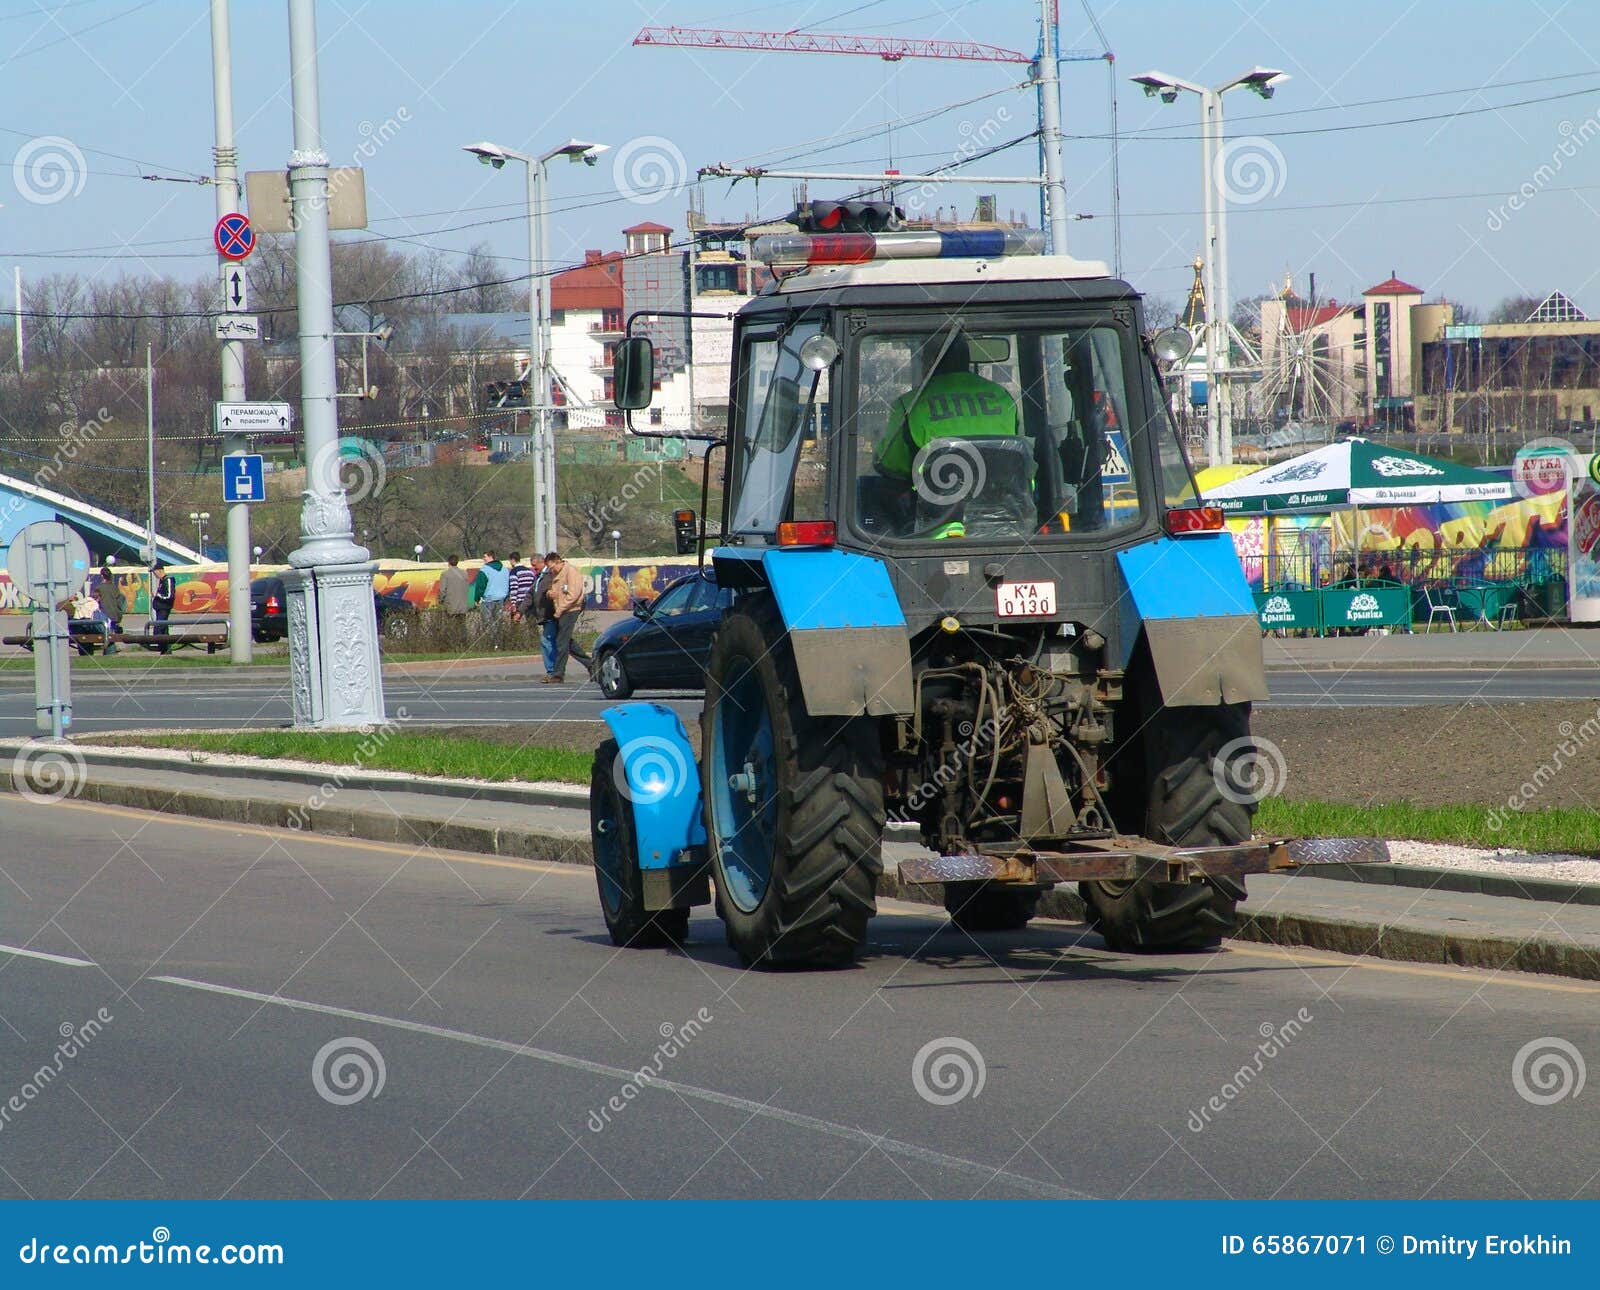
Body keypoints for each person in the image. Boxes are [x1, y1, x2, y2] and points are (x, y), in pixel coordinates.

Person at [874, 333, 1019, 539]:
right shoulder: (1003, 397)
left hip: (941, 522)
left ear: (931, 362)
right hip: (1008, 513)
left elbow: (891, 465)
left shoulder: (909, 404)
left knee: (877, 489)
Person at [539, 551, 590, 683]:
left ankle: (558, 674)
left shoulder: (571, 572)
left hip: (571, 609)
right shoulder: (557, 573)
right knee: (567, 641)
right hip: (562, 610)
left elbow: (573, 594)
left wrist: (560, 610)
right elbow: (558, 591)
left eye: (552, 567)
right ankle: (592, 665)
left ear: (558, 561)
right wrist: (550, 593)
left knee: (562, 642)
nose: (551, 570)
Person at [93, 565, 125, 655]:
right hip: (114, 615)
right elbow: (119, 603)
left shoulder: (99, 588)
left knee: (107, 634)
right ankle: (111, 650)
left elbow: (95, 603)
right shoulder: (114, 587)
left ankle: (110, 651)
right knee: (111, 633)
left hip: (104, 616)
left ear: (102, 576)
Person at [472, 549, 509, 620]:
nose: (483, 559)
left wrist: (477, 599)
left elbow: (480, 586)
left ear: (490, 557)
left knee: (488, 625)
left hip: (488, 600)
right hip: (502, 599)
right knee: (499, 623)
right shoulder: (505, 569)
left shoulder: (484, 570)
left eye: (485, 556)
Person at [149, 561, 176, 654]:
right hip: (159, 608)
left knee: (159, 628)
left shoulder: (168, 579)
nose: (154, 574)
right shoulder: (162, 580)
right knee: (163, 629)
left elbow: (169, 596)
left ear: (159, 570)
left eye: (154, 572)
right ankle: (165, 650)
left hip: (164, 608)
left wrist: (158, 595)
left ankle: (162, 647)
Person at [506, 551, 536, 622]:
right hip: (529, 600)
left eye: (510, 560)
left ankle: (516, 633)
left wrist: (513, 603)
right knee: (531, 623)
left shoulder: (514, 571)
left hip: (519, 601)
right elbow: (533, 586)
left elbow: (514, 587)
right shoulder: (530, 571)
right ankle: (533, 633)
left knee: (515, 622)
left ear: (513, 560)